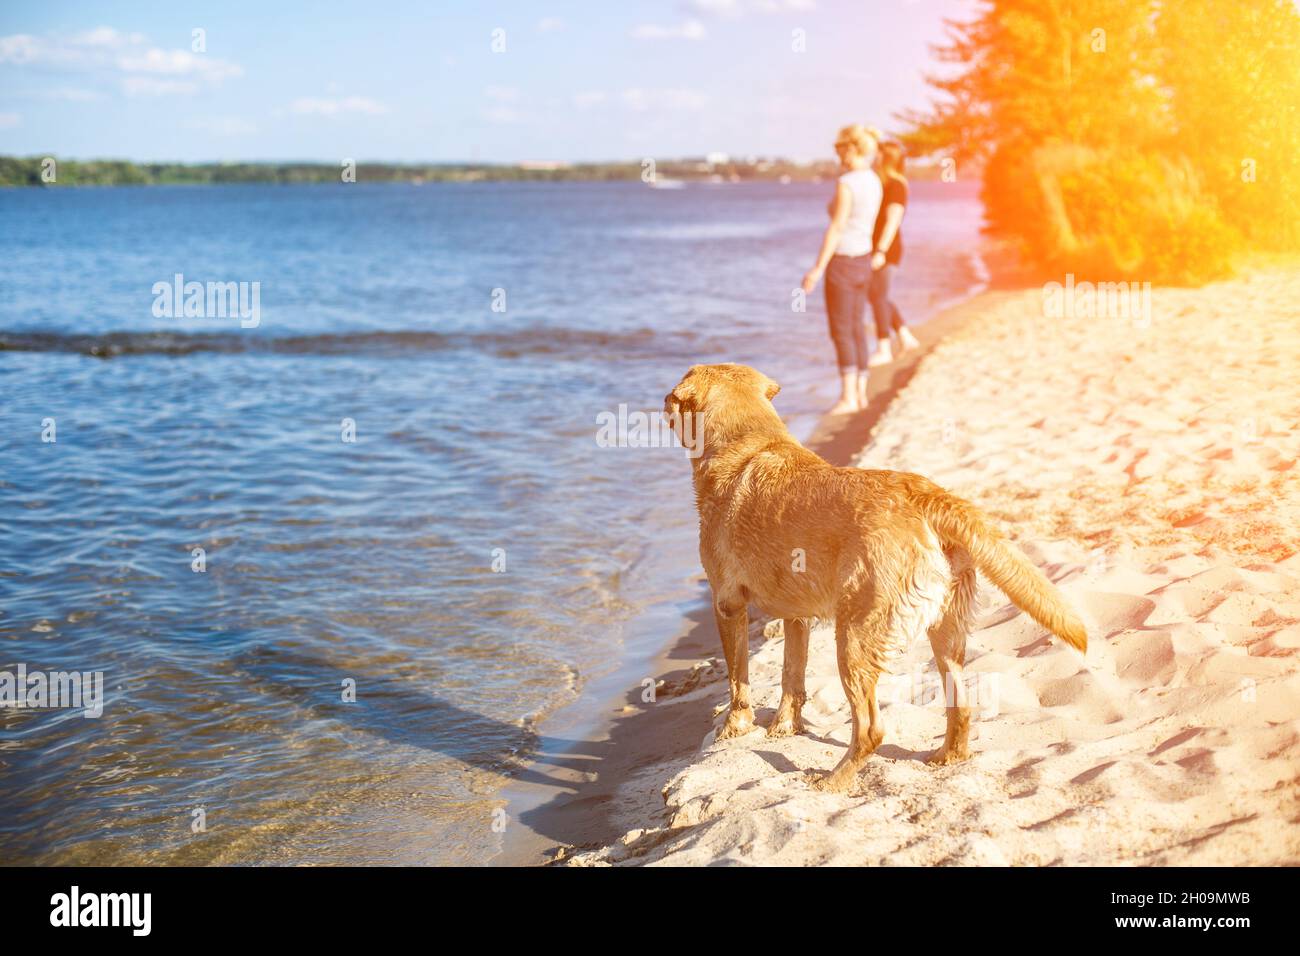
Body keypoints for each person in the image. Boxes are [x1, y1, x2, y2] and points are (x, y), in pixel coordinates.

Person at [801, 124, 882, 414]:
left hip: (844, 261)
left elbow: (836, 228)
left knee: (841, 330)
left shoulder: (848, 182)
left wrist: (816, 269)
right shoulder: (873, 180)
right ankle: (860, 394)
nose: (837, 155)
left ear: (850, 148)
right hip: (864, 258)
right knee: (857, 326)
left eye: (839, 149)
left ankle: (848, 398)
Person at [867, 140, 921, 367]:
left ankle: (884, 348)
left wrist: (880, 250)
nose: (873, 157)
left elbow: (893, 220)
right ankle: (906, 336)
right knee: (877, 295)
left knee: (878, 296)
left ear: (884, 157)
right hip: (875, 248)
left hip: (887, 249)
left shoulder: (897, 185)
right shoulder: (882, 183)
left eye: (877, 154)